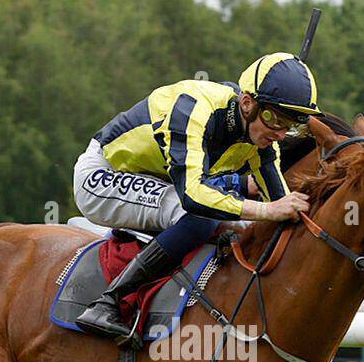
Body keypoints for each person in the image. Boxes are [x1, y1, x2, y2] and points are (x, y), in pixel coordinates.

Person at [72, 53, 320, 340]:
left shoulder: (262, 139)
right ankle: (107, 302)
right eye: (274, 118)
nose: (280, 133)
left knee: (236, 223)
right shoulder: (194, 108)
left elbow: (281, 205)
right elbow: (193, 196)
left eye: (290, 125)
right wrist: (267, 211)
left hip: (158, 180)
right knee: (202, 217)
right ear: (247, 103)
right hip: (103, 175)